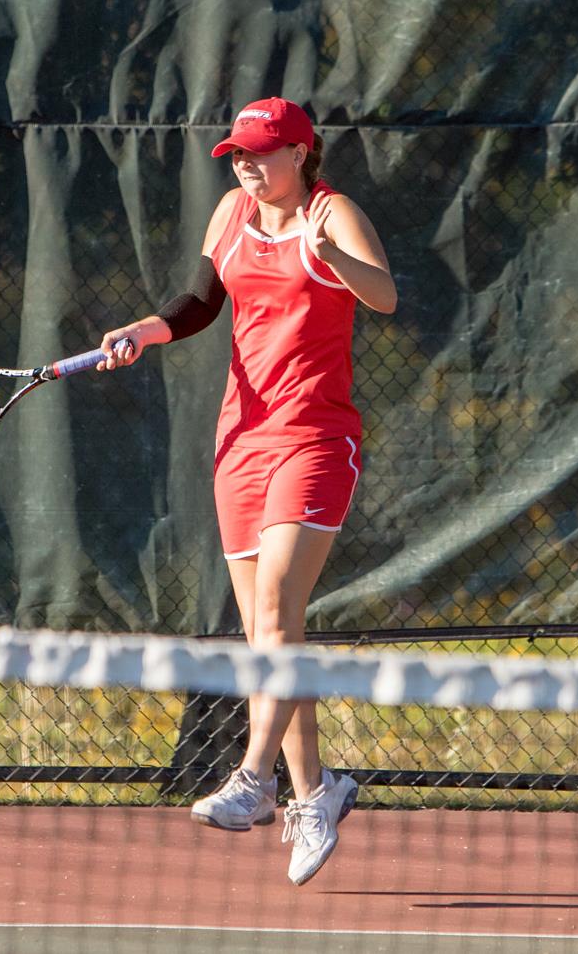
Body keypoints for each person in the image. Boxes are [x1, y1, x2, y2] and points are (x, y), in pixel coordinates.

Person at [96, 97, 395, 886]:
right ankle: (316, 791)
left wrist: (333, 258)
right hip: (240, 444)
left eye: (262, 153)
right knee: (271, 634)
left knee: (276, 608)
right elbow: (196, 304)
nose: (247, 166)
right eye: (239, 153)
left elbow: (386, 295)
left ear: (302, 152)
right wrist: (141, 330)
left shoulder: (332, 214)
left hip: (318, 439)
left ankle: (253, 776)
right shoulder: (231, 212)